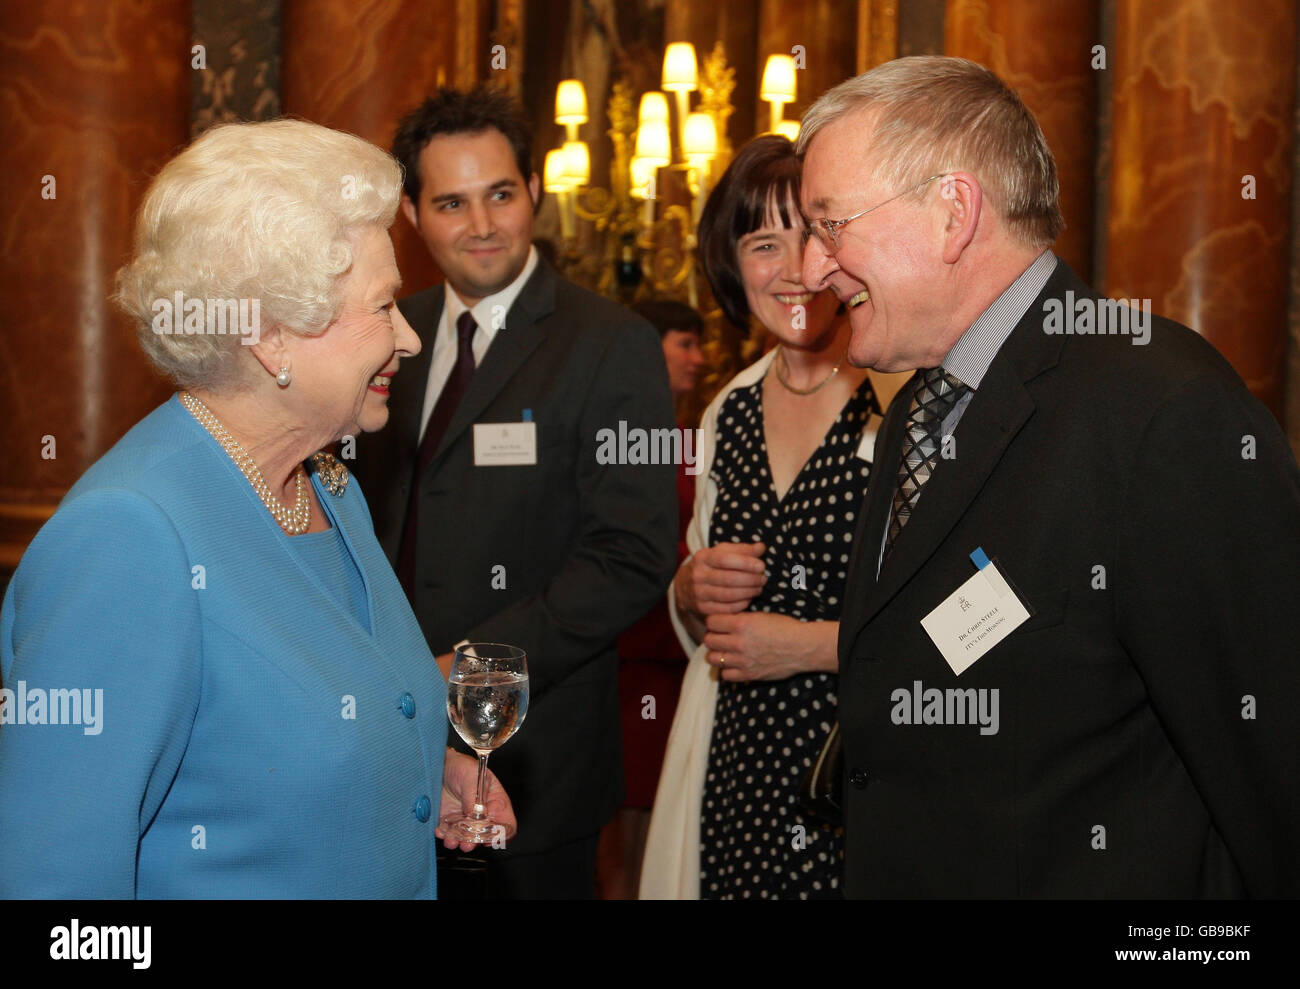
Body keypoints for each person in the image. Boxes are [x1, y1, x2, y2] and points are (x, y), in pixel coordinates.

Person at [798, 55, 1300, 898]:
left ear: (952, 212)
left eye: (829, 224)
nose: (813, 270)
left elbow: (1273, 763)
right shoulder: (921, 407)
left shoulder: (1162, 408)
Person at [0, 120, 515, 898]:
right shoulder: (127, 539)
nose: (408, 337)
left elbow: (292, 728)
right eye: (383, 307)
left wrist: (410, 772)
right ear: (273, 335)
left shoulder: (325, 484)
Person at [351, 85, 678, 899]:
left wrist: (464, 669)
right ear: (414, 216)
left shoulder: (611, 343)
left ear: (533, 190)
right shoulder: (390, 331)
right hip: (388, 735)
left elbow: (630, 557)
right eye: (451, 202)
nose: (483, 224)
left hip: (538, 751)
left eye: (501, 193)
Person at [641, 135, 883, 899]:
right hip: (737, 764)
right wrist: (689, 589)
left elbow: (976, 617)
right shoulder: (728, 411)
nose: (791, 269)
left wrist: (811, 646)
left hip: (867, 768)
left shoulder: (902, 400)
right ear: (730, 263)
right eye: (762, 243)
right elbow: (697, 610)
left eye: (811, 234)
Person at [598, 299, 706, 899]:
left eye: (700, 344)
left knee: (668, 809)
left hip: (685, 652)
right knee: (626, 816)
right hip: (631, 651)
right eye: (684, 343)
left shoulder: (695, 434)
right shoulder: (615, 437)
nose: (699, 357)